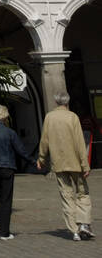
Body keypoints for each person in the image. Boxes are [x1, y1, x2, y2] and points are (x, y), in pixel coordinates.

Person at [37, 92, 94, 241]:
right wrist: (85, 164)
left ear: (56, 102)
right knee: (83, 192)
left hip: (59, 163)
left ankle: (74, 230)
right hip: (75, 162)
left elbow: (45, 140)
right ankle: (83, 223)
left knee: (66, 195)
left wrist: (41, 158)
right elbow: (80, 143)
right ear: (67, 102)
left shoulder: (49, 117)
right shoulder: (73, 117)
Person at [0, 104, 33, 241]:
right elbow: (20, 151)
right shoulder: (10, 132)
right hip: (7, 167)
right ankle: (4, 232)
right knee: (6, 199)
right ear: (4, 116)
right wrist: (34, 162)